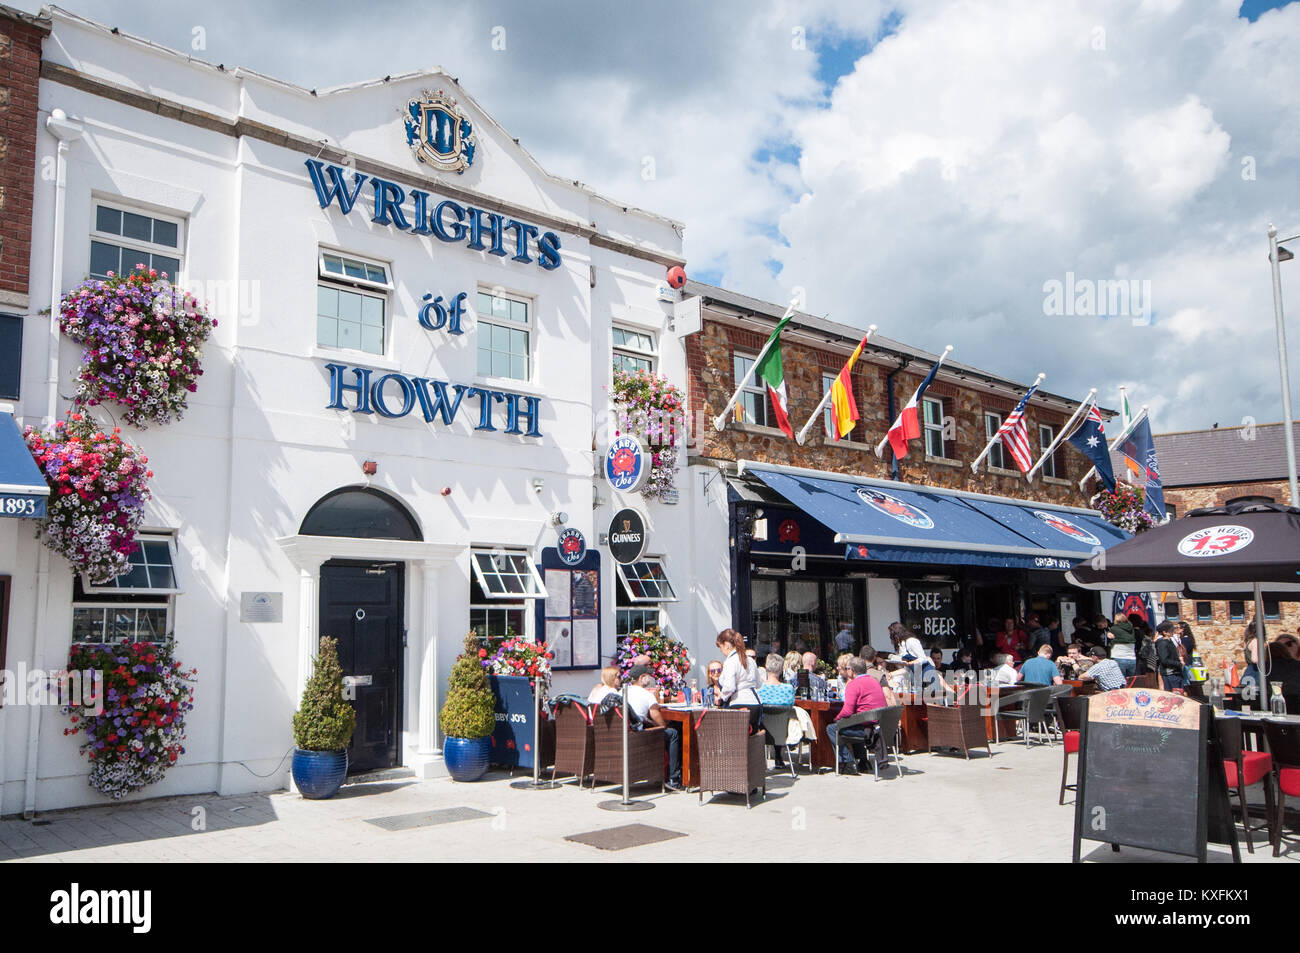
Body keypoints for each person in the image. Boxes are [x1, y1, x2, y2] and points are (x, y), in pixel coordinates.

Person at [625, 666, 684, 791]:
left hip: (626, 734)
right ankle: (674, 778)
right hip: (639, 736)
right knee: (672, 733)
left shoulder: (623, 692)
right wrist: (663, 725)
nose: (651, 678)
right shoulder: (647, 695)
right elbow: (658, 719)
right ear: (641, 678)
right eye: (648, 676)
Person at [826, 656, 887, 771]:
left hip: (866, 729)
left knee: (832, 728)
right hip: (878, 727)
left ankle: (847, 762)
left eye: (847, 668)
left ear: (852, 671)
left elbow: (847, 711)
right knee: (854, 722)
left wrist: (837, 718)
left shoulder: (853, 685)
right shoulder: (874, 681)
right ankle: (862, 761)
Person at [716, 628, 761, 706]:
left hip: (739, 703)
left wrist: (721, 697)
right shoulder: (750, 660)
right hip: (755, 702)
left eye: (721, 648)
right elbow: (759, 684)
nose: (721, 651)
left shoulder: (730, 661)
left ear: (726, 645)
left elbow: (729, 687)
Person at [1155, 620, 1185, 692]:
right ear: (1165, 632)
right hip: (1170, 674)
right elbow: (1164, 660)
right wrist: (1179, 664)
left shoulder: (1170, 641)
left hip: (1176, 672)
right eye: (1171, 630)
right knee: (1174, 696)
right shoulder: (1162, 643)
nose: (1173, 631)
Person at [1109, 612, 1137, 678]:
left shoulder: (1114, 629)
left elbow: (1110, 639)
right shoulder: (1131, 629)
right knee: (1130, 682)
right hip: (1132, 658)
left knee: (1120, 681)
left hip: (1119, 657)